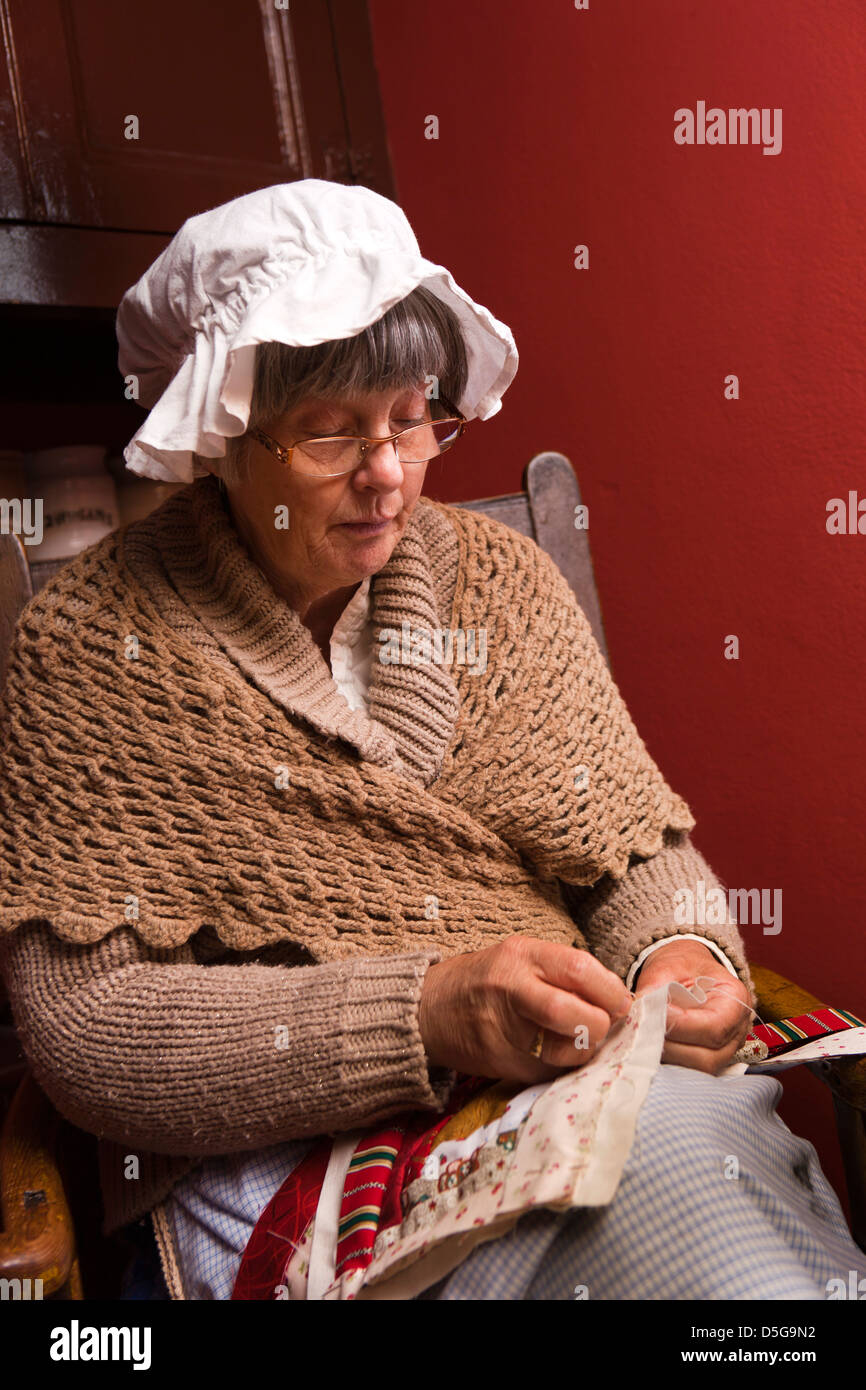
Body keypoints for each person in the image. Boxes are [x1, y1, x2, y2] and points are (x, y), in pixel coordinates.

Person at [0, 180, 863, 1301]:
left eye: (411, 416)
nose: (390, 472)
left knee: (702, 1194)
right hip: (297, 1161)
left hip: (575, 1082)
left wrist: (676, 954)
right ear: (217, 433)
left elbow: (633, 846)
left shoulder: (500, 581)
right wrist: (428, 1008)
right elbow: (90, 1029)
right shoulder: (91, 644)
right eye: (329, 430)